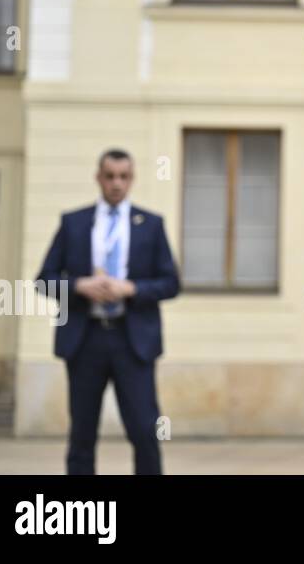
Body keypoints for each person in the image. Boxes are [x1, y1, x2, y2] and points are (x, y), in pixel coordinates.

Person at [37, 148, 180, 474]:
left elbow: (171, 283)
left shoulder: (151, 225)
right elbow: (44, 280)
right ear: (98, 178)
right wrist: (78, 285)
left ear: (132, 179)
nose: (116, 183)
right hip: (85, 340)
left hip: (133, 344)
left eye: (123, 176)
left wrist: (132, 289)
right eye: (110, 176)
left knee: (145, 431)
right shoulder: (73, 223)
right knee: (82, 434)